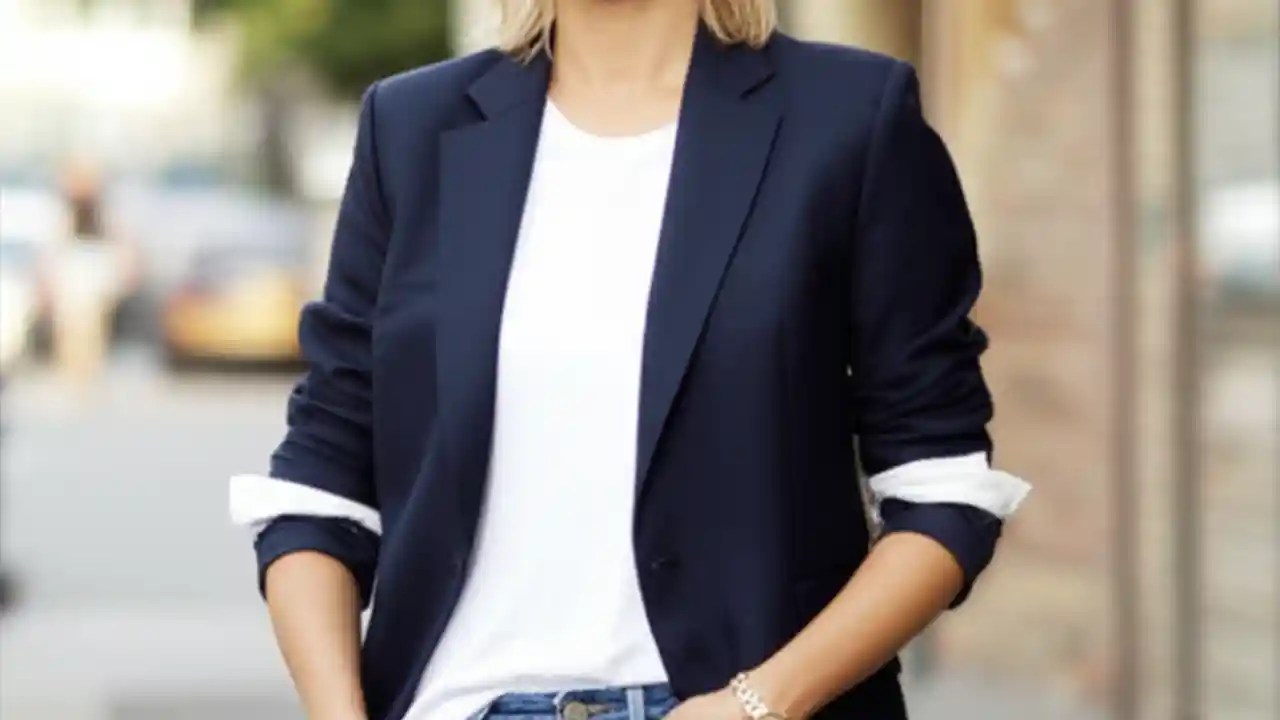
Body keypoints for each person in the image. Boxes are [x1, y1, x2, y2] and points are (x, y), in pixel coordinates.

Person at [229, 1, 1031, 719]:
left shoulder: (850, 119)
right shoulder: (412, 126)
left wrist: (761, 705)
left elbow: (943, 491)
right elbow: (322, 485)